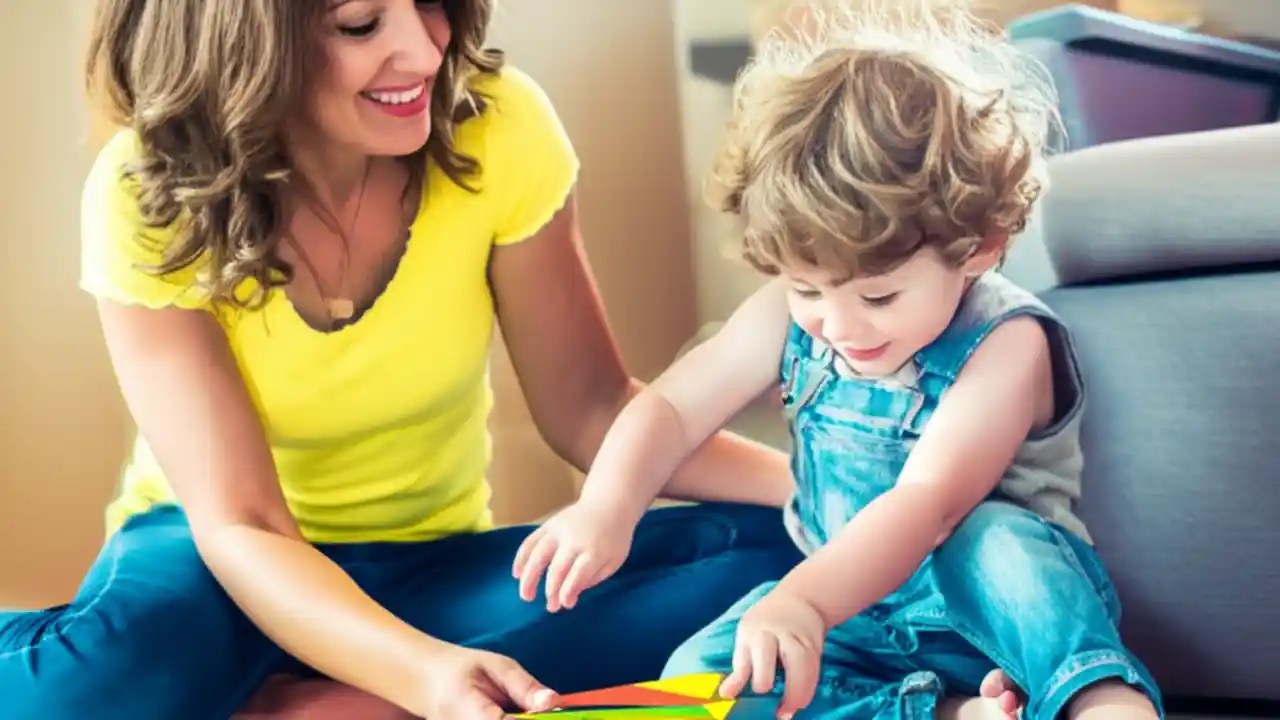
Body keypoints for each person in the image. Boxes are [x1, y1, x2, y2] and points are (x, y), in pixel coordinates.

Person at [0, 1, 806, 718]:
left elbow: (594, 411)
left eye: (430, 4)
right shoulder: (146, 191)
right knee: (77, 691)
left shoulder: (500, 126)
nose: (422, 51)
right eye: (361, 24)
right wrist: (421, 679)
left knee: (782, 554)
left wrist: (831, 495)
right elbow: (242, 522)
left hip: (427, 572)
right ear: (245, 40)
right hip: (210, 565)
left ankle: (304, 697)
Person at [513, 1, 1166, 718]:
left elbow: (929, 506)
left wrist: (802, 602)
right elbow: (666, 409)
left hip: (998, 608)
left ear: (976, 245)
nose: (839, 325)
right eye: (807, 288)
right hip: (856, 615)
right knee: (704, 673)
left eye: (879, 296)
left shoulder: (1007, 342)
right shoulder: (786, 319)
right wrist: (609, 505)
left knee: (995, 539)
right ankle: (947, 712)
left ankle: (1099, 693)